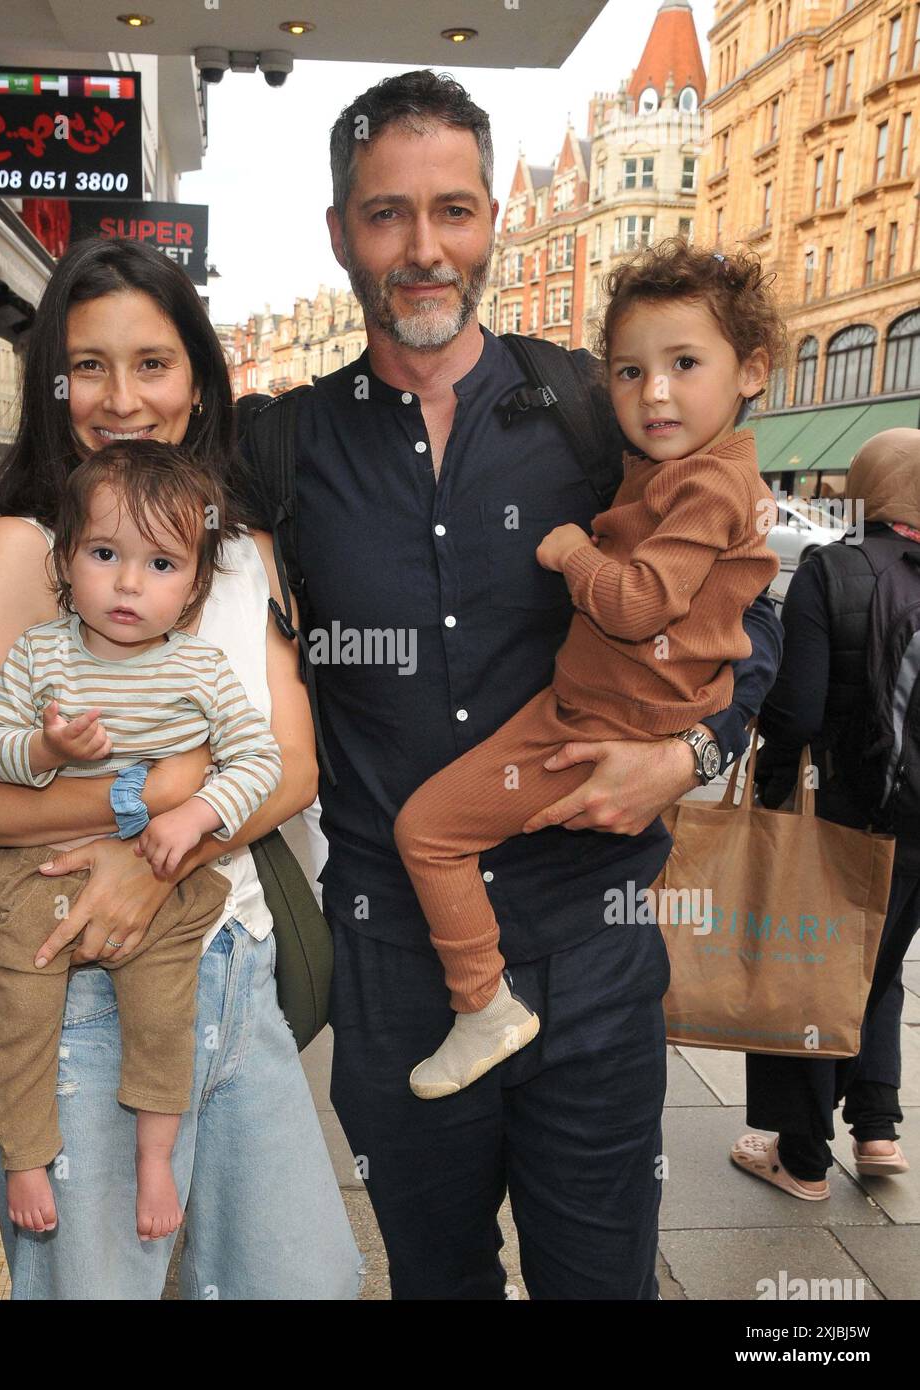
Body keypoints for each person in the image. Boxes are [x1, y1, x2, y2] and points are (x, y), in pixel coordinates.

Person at [236, 69, 783, 1299]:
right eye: (386, 214)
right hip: (397, 964)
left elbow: (756, 623)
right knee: (437, 1283)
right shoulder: (284, 443)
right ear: (340, 231)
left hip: (595, 947)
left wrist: (686, 758)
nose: (423, 248)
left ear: (489, 220)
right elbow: (161, 617)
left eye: (454, 211)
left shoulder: (595, 413)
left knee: (602, 1283)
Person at [0, 236, 361, 1300]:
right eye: (87, 364)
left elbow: (294, 767)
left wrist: (158, 858)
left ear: (200, 378)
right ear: (51, 381)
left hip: (235, 961)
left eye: (152, 362)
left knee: (302, 1279)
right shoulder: (27, 548)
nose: (121, 396)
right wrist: (143, 799)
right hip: (82, 985)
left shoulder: (241, 542)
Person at [394, 240, 782, 1099]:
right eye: (629, 371)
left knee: (426, 831)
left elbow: (642, 606)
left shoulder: (708, 484)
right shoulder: (676, 469)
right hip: (595, 711)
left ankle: (482, 1003)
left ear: (751, 369)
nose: (655, 393)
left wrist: (572, 551)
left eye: (685, 364)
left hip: (601, 727)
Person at [0, 440, 282, 1240]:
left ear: (194, 588)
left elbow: (262, 759)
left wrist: (197, 813)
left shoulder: (203, 670)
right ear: (67, 561)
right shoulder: (41, 653)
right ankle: (28, 1156)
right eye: (105, 554)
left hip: (170, 877)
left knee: (160, 1015)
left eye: (162, 564)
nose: (129, 583)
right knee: (23, 1004)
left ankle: (155, 1158)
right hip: (41, 873)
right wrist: (46, 751)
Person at [732, 427, 920, 1197]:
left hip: (837, 817)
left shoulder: (830, 570)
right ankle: (877, 1131)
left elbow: (798, 711)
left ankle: (802, 1159)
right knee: (879, 966)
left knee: (808, 968)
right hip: (916, 825)